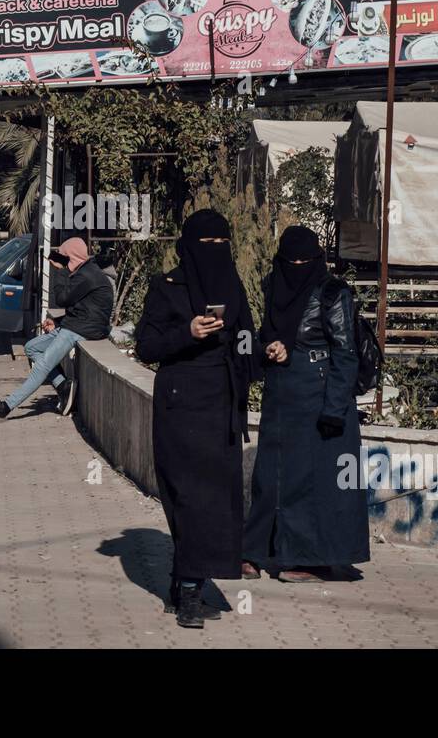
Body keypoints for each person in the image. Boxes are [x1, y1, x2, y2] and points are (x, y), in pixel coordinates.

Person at [133, 209, 259, 628]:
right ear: (188, 247)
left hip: (222, 405)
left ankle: (185, 583)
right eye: (207, 245)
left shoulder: (233, 286)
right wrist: (188, 333)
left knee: (215, 501)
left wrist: (263, 358)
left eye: (221, 245)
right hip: (180, 404)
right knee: (188, 498)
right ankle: (189, 590)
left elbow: (246, 338)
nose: (215, 253)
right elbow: (146, 347)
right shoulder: (166, 287)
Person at [244, 226, 368, 582]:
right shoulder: (273, 285)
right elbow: (271, 331)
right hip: (282, 393)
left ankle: (312, 559)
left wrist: (333, 409)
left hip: (319, 397)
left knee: (316, 483)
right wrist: (271, 346)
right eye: (291, 260)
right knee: (271, 476)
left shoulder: (333, 292)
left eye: (304, 261)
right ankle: (257, 551)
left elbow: (344, 354)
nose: (297, 266)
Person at [0, 237, 112, 420]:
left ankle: (6, 406)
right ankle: (63, 386)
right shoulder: (86, 271)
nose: (61, 261)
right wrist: (58, 323)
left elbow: (62, 299)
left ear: (71, 257)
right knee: (31, 348)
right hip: (78, 324)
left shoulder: (87, 275)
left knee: (43, 365)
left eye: (64, 257)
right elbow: (83, 308)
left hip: (83, 330)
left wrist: (59, 272)